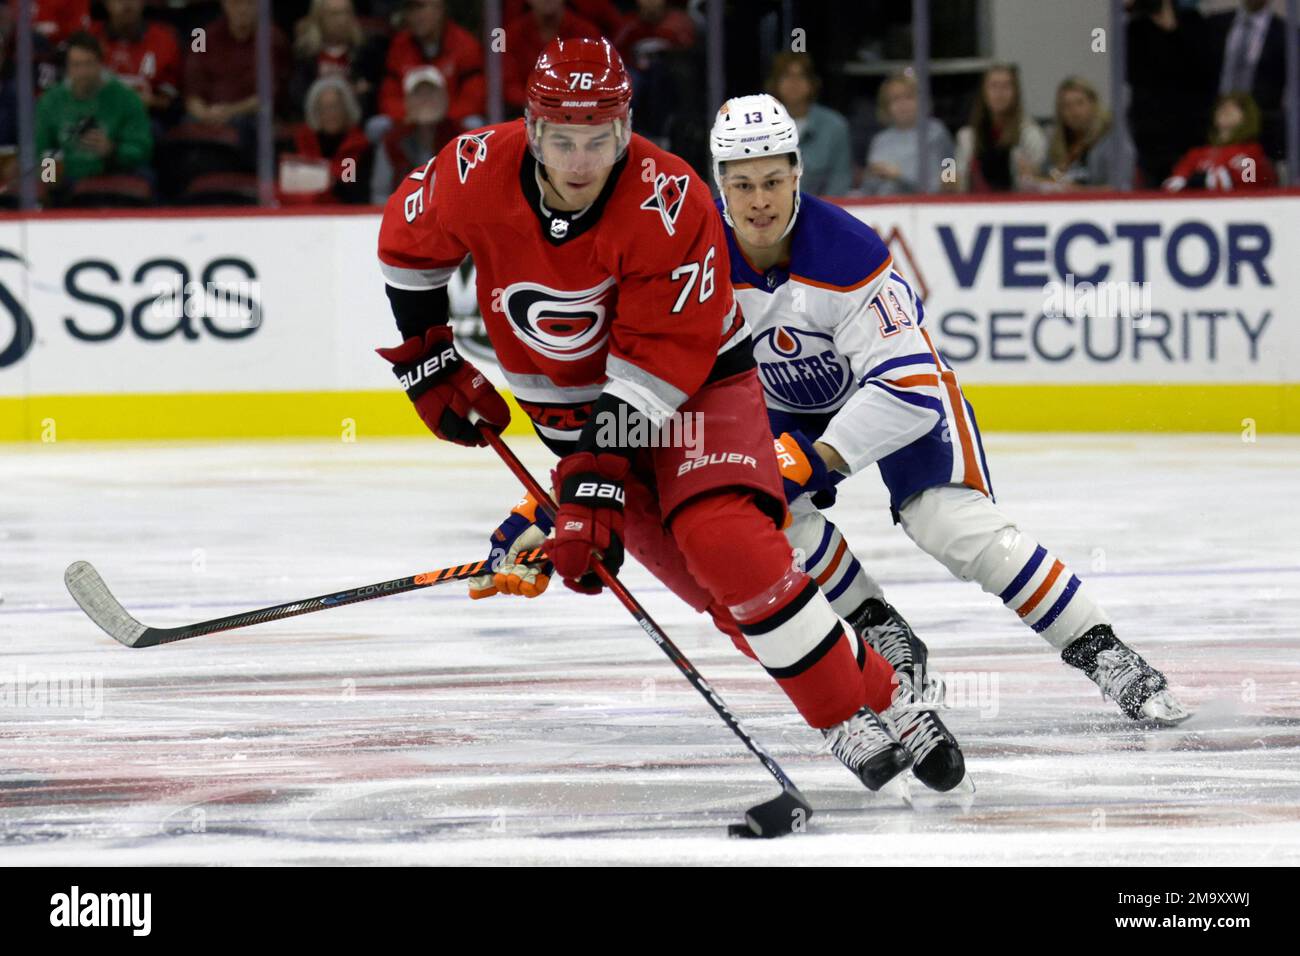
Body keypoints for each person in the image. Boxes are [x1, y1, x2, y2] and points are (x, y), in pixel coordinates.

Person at [377, 37, 920, 792]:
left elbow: (656, 359)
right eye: (561, 139)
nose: (577, 161)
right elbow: (407, 247)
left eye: (596, 139)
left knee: (726, 541)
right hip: (579, 425)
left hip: (700, 392)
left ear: (625, 128)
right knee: (714, 593)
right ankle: (869, 698)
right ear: (532, 130)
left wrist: (589, 489)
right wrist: (429, 356)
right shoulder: (472, 169)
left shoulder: (672, 199)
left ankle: (858, 713)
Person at [710, 93, 1189, 730]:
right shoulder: (697, 258)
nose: (759, 202)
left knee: (947, 523)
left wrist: (815, 458)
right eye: (742, 185)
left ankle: (1106, 653)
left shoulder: (848, 253)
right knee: (757, 506)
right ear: (719, 184)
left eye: (773, 181)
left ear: (798, 173)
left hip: (894, 399)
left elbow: (907, 391)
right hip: (782, 408)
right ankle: (879, 629)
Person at [35, 31, 152, 198]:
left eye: (88, 64)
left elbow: (142, 148)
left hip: (114, 174)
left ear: (100, 64)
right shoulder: (50, 101)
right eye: (76, 65)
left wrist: (111, 151)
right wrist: (51, 176)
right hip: (67, 179)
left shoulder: (126, 99)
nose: (83, 72)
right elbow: (42, 149)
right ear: (67, 68)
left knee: (145, 177)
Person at [378, 0, 485, 131]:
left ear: (440, 9)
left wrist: (439, 115)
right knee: (377, 126)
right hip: (411, 121)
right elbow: (389, 96)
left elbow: (474, 97)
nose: (414, 16)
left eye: (420, 7)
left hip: (451, 121)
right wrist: (413, 114)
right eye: (409, 10)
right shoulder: (400, 45)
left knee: (474, 123)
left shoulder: (465, 45)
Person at [184, 0, 290, 133]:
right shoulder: (202, 37)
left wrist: (229, 112)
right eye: (236, 3)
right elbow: (192, 93)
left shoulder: (273, 39)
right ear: (224, 4)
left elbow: (268, 96)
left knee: (245, 126)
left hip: (249, 116)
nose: (243, 9)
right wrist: (204, 114)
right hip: (206, 115)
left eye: (249, 3)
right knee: (188, 126)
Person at [1206, 0, 1287, 162]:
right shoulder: (1214, 24)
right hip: (1213, 128)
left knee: (1250, 178)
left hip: (1262, 131)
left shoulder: (1285, 34)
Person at [767, 52, 851, 198]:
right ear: (775, 83)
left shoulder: (834, 126)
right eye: (786, 76)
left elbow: (840, 181)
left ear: (813, 83)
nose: (794, 83)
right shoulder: (759, 126)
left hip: (821, 213)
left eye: (801, 76)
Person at [370, 65, 457, 202]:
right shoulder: (392, 141)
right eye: (418, 94)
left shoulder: (462, 138)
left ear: (445, 98)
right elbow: (380, 194)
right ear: (407, 102)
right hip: (403, 218)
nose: (426, 99)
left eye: (431, 93)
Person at [954, 63, 1046, 193]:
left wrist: (1032, 177)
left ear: (1016, 92)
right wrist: (949, 180)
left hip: (1016, 208)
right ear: (984, 92)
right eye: (993, 86)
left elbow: (1044, 182)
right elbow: (953, 173)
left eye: (1006, 86)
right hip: (975, 209)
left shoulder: (1030, 135)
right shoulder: (967, 136)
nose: (999, 93)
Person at [290, 0, 387, 120]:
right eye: (334, 14)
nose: (342, 20)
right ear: (319, 18)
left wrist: (365, 92)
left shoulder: (367, 51)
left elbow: (378, 90)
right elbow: (298, 94)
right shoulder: (306, 54)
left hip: (358, 124)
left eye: (346, 13)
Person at [90, 0, 182, 126]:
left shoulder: (164, 41)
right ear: (106, 3)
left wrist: (150, 101)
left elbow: (169, 101)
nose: (127, 3)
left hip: (144, 119)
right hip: (94, 115)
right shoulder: (89, 37)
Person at [862, 70, 954, 195]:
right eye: (895, 99)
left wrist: (899, 176)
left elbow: (949, 180)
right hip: (885, 208)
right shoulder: (879, 140)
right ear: (886, 106)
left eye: (909, 97)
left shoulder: (936, 132)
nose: (902, 104)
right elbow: (868, 189)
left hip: (926, 208)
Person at [1164, 92, 1276, 191]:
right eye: (1222, 106)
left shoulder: (1253, 153)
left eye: (1235, 107)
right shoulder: (1196, 154)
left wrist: (1208, 179)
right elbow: (1173, 185)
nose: (1226, 110)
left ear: (1247, 116)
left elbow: (1251, 188)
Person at [286, 75, 371, 204]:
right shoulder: (301, 141)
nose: (330, 113)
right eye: (323, 108)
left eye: (335, 106)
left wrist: (326, 180)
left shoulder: (357, 146)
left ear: (347, 108)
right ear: (315, 111)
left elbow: (352, 188)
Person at [502, 0, 601, 111]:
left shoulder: (587, 34)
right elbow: (507, 84)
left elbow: (596, 82)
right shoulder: (509, 35)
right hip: (523, 113)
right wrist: (537, 102)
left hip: (578, 113)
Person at [1027, 76, 1121, 191]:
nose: (1074, 111)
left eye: (1079, 103)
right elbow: (1048, 178)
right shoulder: (1057, 142)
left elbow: (1118, 189)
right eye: (1066, 106)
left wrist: (1076, 191)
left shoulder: (1112, 141)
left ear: (1094, 104)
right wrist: (1032, 176)